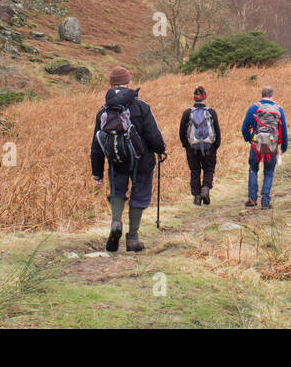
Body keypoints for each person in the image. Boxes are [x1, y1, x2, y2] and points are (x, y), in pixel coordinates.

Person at [90, 65, 166, 252]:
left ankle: (116, 223)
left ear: (111, 84)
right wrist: (161, 150)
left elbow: (96, 146)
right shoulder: (141, 106)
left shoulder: (104, 111)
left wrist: (97, 173)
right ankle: (132, 238)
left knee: (117, 192)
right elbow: (153, 134)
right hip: (143, 161)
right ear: (128, 82)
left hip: (116, 162)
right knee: (139, 195)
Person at [240, 86, 288, 209]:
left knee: (253, 169)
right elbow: (284, 130)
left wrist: (249, 139)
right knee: (268, 172)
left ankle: (252, 198)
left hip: (256, 145)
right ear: (272, 95)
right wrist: (284, 146)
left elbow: (244, 127)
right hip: (271, 145)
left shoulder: (253, 108)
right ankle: (265, 202)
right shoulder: (278, 110)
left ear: (262, 95)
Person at [179, 86, 221, 206]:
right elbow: (217, 131)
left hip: (192, 148)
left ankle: (197, 197)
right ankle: (206, 189)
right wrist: (215, 146)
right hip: (209, 147)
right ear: (205, 97)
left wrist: (186, 145)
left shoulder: (187, 113)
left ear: (194, 98)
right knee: (209, 169)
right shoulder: (211, 112)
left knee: (195, 171)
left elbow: (182, 132)